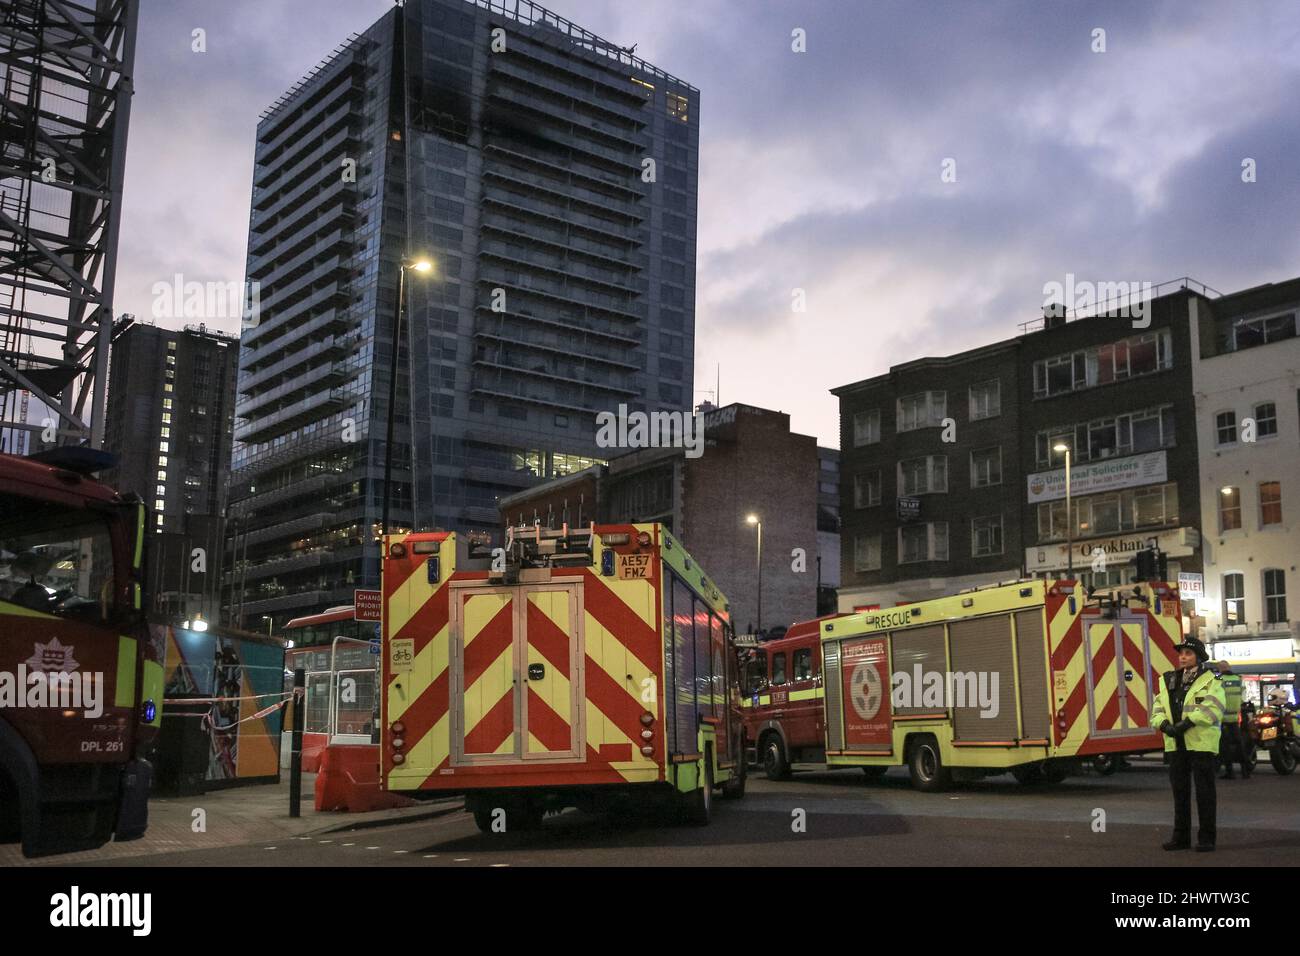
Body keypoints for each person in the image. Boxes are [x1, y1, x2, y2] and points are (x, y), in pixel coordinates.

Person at [1151, 635, 1225, 852]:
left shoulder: (1212, 681)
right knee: (1180, 794)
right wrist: (1164, 725)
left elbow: (1213, 709)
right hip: (1176, 744)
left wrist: (1186, 723)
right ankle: (1181, 838)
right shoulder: (1168, 680)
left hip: (1200, 744)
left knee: (1205, 794)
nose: (1183, 657)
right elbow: (1156, 709)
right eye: (1181, 653)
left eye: (1188, 653)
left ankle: (1206, 838)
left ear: (1199, 657)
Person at [1214, 661, 1249, 779]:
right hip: (1235, 718)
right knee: (1239, 745)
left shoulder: (1218, 680)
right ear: (1229, 667)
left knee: (1225, 746)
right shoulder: (1239, 679)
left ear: (1220, 669)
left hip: (1222, 718)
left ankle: (1230, 772)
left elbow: (1214, 700)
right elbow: (1244, 698)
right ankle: (1245, 771)